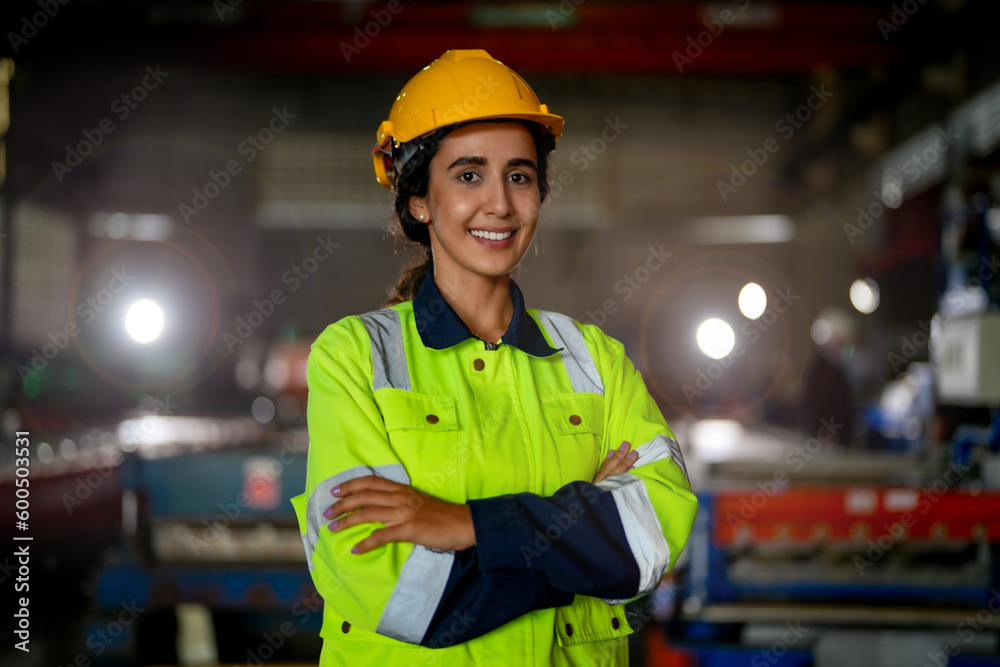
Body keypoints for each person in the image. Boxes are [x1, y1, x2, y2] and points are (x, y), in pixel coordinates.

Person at [291, 49, 697, 666]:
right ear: (419, 200)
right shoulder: (354, 356)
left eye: (520, 175)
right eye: (468, 174)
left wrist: (469, 526)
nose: (500, 205)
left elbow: (653, 539)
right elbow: (399, 593)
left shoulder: (596, 358)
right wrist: (578, 536)